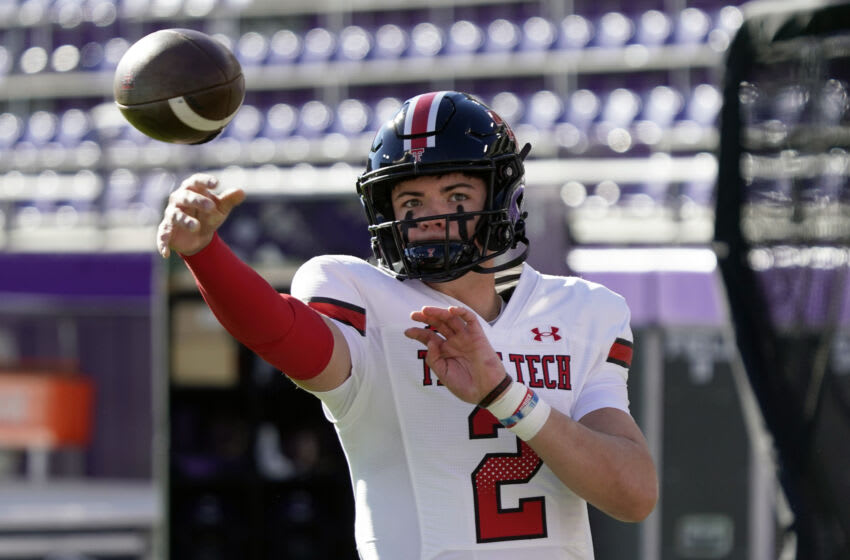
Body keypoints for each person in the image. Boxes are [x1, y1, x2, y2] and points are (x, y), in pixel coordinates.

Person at [157, 91, 658, 559]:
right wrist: (205, 254)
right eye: (411, 202)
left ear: (501, 197)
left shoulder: (580, 311)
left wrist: (504, 396)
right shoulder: (360, 293)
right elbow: (285, 335)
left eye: (456, 195)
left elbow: (633, 495)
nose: (431, 217)